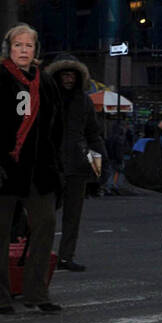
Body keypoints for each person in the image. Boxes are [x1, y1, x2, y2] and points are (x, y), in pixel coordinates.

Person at [0, 24, 63, 315]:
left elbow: (55, 128)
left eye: (29, 46)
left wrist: (56, 167)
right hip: (2, 171)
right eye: (18, 45)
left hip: (39, 171)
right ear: (8, 49)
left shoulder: (46, 83)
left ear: (36, 50)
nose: (24, 51)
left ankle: (37, 291)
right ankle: (1, 294)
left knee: (45, 226)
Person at [46, 55, 105, 271]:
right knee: (45, 215)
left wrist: (98, 166)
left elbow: (93, 135)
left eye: (72, 74)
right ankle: (40, 254)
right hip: (51, 163)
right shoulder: (48, 98)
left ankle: (65, 256)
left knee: (72, 216)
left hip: (77, 164)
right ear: (57, 76)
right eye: (65, 74)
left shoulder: (84, 101)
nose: (69, 78)